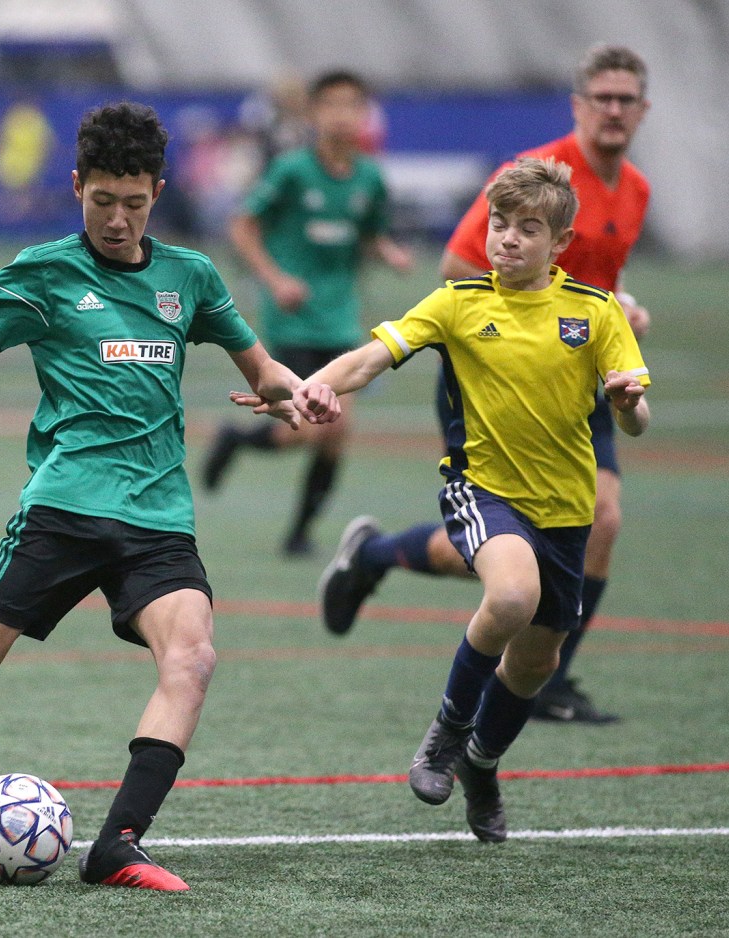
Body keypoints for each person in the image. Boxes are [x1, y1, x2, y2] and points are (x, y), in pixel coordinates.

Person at [0, 102, 339, 892]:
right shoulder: (42, 273)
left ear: (158, 192)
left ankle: (118, 844)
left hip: (157, 518)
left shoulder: (192, 276)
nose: (117, 220)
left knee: (194, 657)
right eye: (102, 201)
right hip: (65, 509)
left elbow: (263, 371)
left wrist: (297, 394)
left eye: (135, 203)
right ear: (77, 186)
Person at [264, 156, 651, 841]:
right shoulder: (459, 302)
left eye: (527, 228)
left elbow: (634, 418)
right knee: (509, 597)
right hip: (483, 489)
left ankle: (482, 763)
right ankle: (446, 735)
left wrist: (627, 406)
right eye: (499, 223)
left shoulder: (594, 312)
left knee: (537, 659)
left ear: (559, 243)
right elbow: (373, 355)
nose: (506, 238)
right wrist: (311, 387)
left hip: (566, 508)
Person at [319, 44, 652, 723]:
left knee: (595, 524)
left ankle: (538, 668)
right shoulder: (530, 180)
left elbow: (592, 288)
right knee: (511, 549)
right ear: (579, 105)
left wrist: (622, 307)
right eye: (602, 97)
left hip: (581, 369)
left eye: (627, 99)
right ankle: (386, 562)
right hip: (494, 367)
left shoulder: (636, 190)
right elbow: (453, 264)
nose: (614, 110)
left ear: (642, 110)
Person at [202, 70, 414, 556]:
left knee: (335, 433)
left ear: (365, 115)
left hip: (340, 320)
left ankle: (298, 533)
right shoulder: (292, 171)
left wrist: (388, 252)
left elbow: (368, 233)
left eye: (353, 106)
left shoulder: (370, 178)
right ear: (314, 113)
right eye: (332, 105)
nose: (343, 115)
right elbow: (242, 224)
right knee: (309, 429)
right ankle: (236, 441)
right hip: (294, 319)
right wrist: (275, 281)